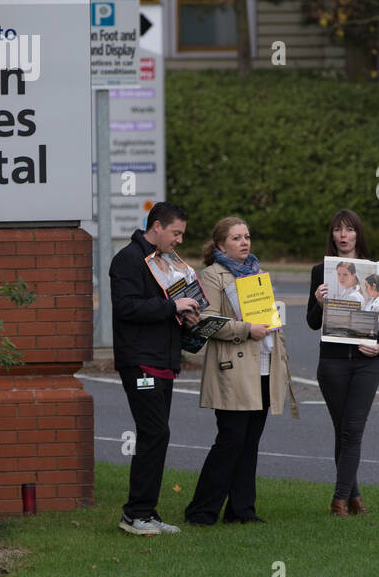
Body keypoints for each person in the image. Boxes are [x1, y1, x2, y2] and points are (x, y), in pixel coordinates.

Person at [184, 216, 297, 525]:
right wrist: (247, 329)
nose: (244, 242)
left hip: (262, 366)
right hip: (233, 369)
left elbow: (269, 319)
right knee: (230, 441)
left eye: (246, 236)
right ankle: (201, 511)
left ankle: (241, 511)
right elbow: (206, 320)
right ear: (221, 245)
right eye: (236, 238)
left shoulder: (257, 273)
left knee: (249, 444)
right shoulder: (212, 275)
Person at [111, 201, 202, 536]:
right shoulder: (128, 259)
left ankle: (146, 512)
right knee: (155, 433)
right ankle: (135, 514)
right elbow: (126, 307)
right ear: (158, 226)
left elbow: (164, 309)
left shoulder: (166, 264)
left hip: (164, 360)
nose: (178, 240)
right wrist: (170, 306)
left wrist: (186, 314)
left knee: (158, 434)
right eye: (175, 233)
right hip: (139, 360)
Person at [307, 209, 379, 516]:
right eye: (337, 230)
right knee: (342, 430)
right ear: (331, 235)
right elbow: (311, 322)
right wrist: (319, 303)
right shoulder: (321, 271)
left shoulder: (375, 270)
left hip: (366, 363)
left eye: (349, 229)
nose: (343, 235)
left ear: (358, 234)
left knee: (353, 430)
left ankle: (339, 500)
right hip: (331, 363)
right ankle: (354, 498)